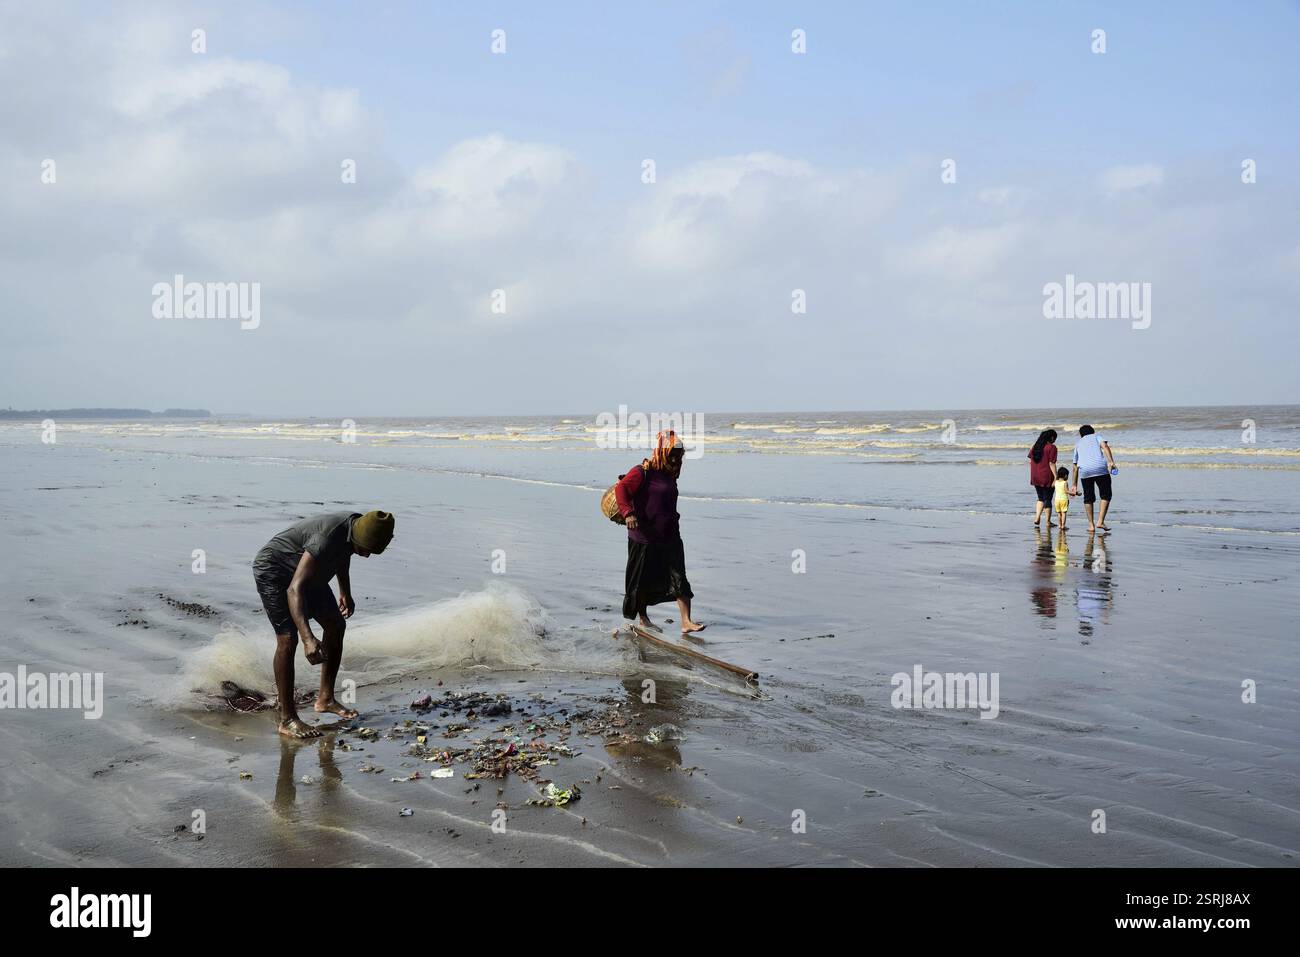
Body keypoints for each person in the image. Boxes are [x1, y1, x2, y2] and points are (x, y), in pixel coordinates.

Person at [252, 510, 395, 738]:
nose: (366, 556)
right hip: (275, 570)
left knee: (336, 625)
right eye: (365, 550)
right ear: (357, 537)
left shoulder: (355, 528)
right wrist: (309, 639)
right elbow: (294, 589)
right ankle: (287, 719)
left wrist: (345, 592)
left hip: (311, 572)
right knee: (289, 639)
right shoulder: (326, 538)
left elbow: (343, 554)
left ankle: (325, 699)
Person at [613, 430, 705, 635]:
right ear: (662, 450)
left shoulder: (670, 473)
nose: (676, 457)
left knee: (679, 576)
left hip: (670, 534)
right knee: (642, 580)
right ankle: (644, 620)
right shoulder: (642, 471)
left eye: (679, 453)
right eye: (672, 452)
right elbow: (622, 490)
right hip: (644, 536)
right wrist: (628, 513)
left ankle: (686, 621)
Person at [1069, 425, 1118, 532]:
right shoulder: (1097, 436)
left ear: (1081, 434)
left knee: (1088, 497)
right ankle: (1100, 521)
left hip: (1085, 471)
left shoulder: (1078, 443)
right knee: (1106, 494)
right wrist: (1111, 462)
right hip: (1100, 468)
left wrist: (1074, 485)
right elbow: (1105, 446)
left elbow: (1075, 466)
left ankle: (1091, 525)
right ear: (1092, 431)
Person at [1027, 429, 1059, 527]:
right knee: (1048, 498)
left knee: (1040, 498)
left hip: (1035, 476)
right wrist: (1056, 477)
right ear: (1052, 438)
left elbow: (1030, 459)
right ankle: (1048, 522)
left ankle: (1037, 517)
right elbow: (1051, 463)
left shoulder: (1035, 447)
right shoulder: (1052, 447)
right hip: (1046, 476)